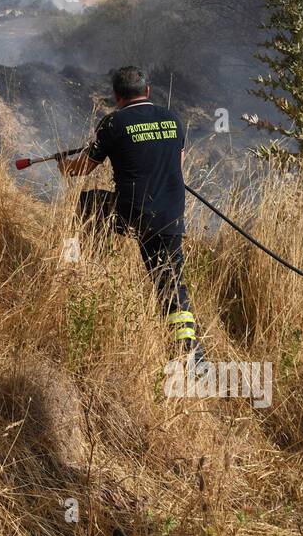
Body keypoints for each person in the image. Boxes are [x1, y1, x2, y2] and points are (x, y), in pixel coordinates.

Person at [58, 66, 203, 361]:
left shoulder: (113, 123)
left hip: (134, 213)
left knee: (88, 202)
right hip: (171, 215)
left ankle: (81, 262)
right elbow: (178, 161)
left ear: (116, 96)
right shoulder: (172, 119)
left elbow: (83, 169)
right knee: (171, 283)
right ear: (147, 92)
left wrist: (64, 165)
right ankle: (192, 354)